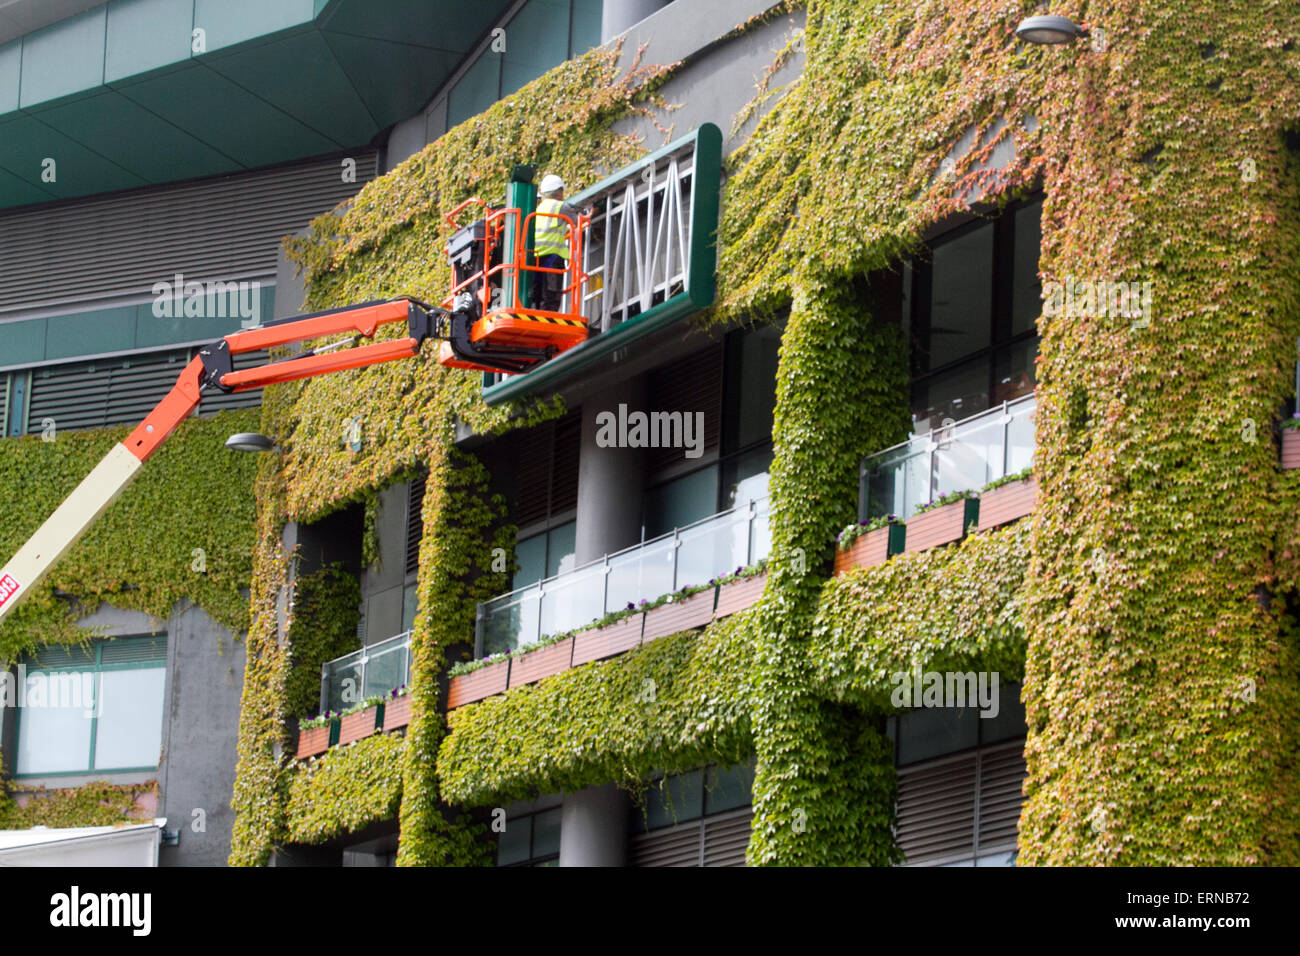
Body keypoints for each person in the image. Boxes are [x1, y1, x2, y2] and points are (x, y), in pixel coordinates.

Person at [532, 174, 581, 312]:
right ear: (558, 191)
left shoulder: (539, 208)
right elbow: (578, 221)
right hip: (552, 257)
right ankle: (549, 316)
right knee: (552, 296)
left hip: (536, 258)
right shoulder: (560, 206)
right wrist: (591, 214)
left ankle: (540, 314)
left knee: (540, 295)